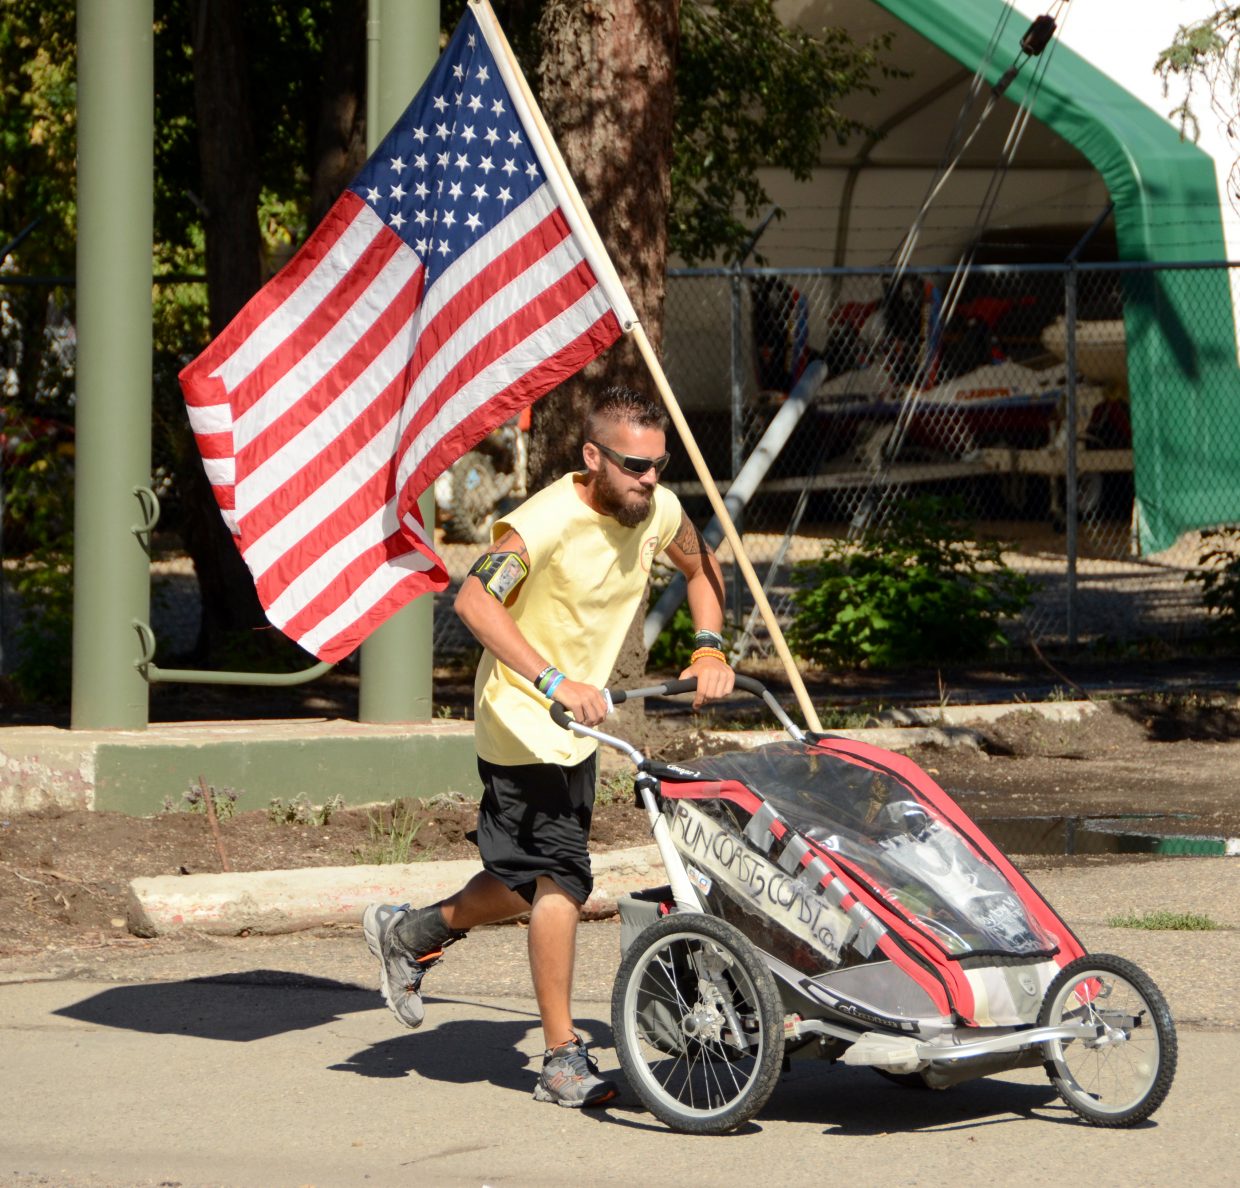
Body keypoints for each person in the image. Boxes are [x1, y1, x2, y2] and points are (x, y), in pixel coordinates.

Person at [363, 385, 735, 1109]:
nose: (650, 479)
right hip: (521, 719)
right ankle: (561, 1057)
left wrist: (709, 647)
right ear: (592, 456)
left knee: (527, 882)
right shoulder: (547, 521)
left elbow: (701, 570)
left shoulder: (657, 510)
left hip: (577, 729)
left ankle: (412, 933)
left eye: (659, 465)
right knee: (562, 881)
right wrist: (554, 679)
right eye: (634, 465)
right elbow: (474, 601)